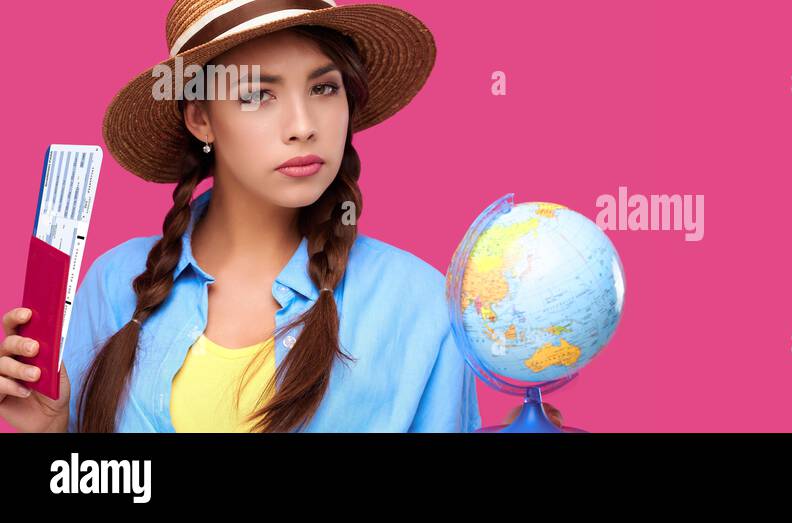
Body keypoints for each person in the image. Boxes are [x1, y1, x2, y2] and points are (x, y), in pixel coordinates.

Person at [0, 0, 482, 432]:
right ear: (200, 118)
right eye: (257, 94)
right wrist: (50, 431)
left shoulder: (419, 305)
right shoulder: (111, 286)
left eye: (324, 88)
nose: (302, 127)